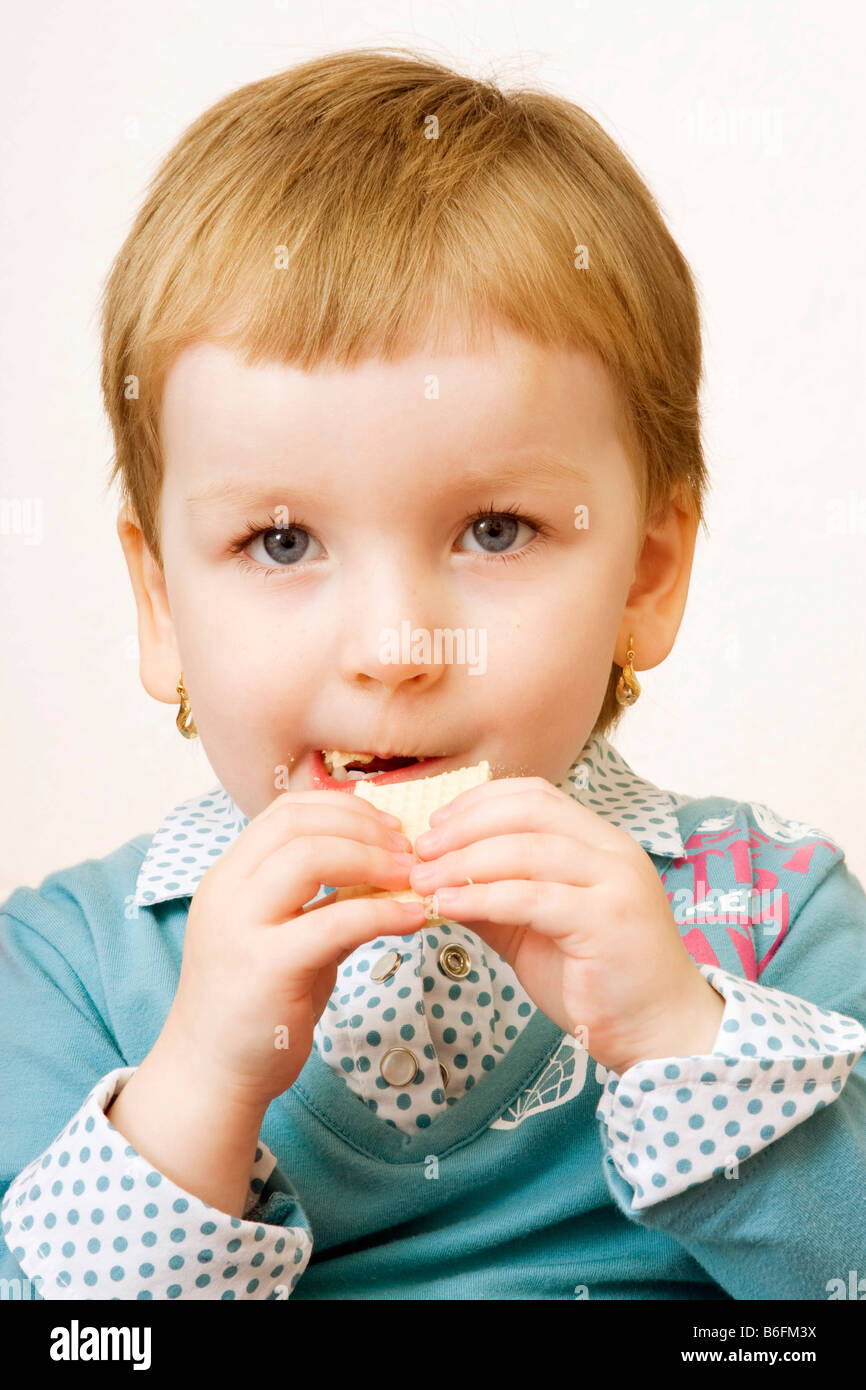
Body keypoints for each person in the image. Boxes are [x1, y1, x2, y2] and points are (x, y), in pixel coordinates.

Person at [2, 48, 864, 1301]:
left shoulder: (772, 912)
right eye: (281, 542)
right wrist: (196, 1087)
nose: (397, 649)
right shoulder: (72, 966)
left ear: (645, 575)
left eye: (494, 530)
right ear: (160, 603)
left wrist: (683, 1038)